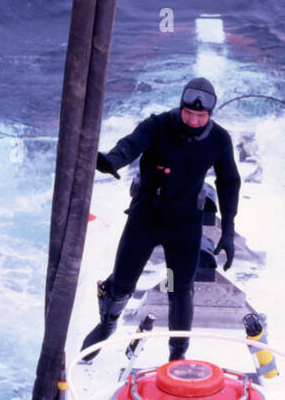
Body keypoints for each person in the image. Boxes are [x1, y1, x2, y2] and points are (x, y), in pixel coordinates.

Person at [81, 76, 240, 362]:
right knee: (121, 287)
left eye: (200, 115)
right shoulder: (157, 125)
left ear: (209, 115)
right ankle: (105, 328)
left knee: (179, 290)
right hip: (146, 218)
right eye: (188, 113)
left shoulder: (219, 139)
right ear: (180, 107)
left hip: (184, 226)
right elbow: (131, 145)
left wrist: (228, 230)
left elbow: (229, 182)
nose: (192, 120)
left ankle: (177, 356)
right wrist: (112, 161)